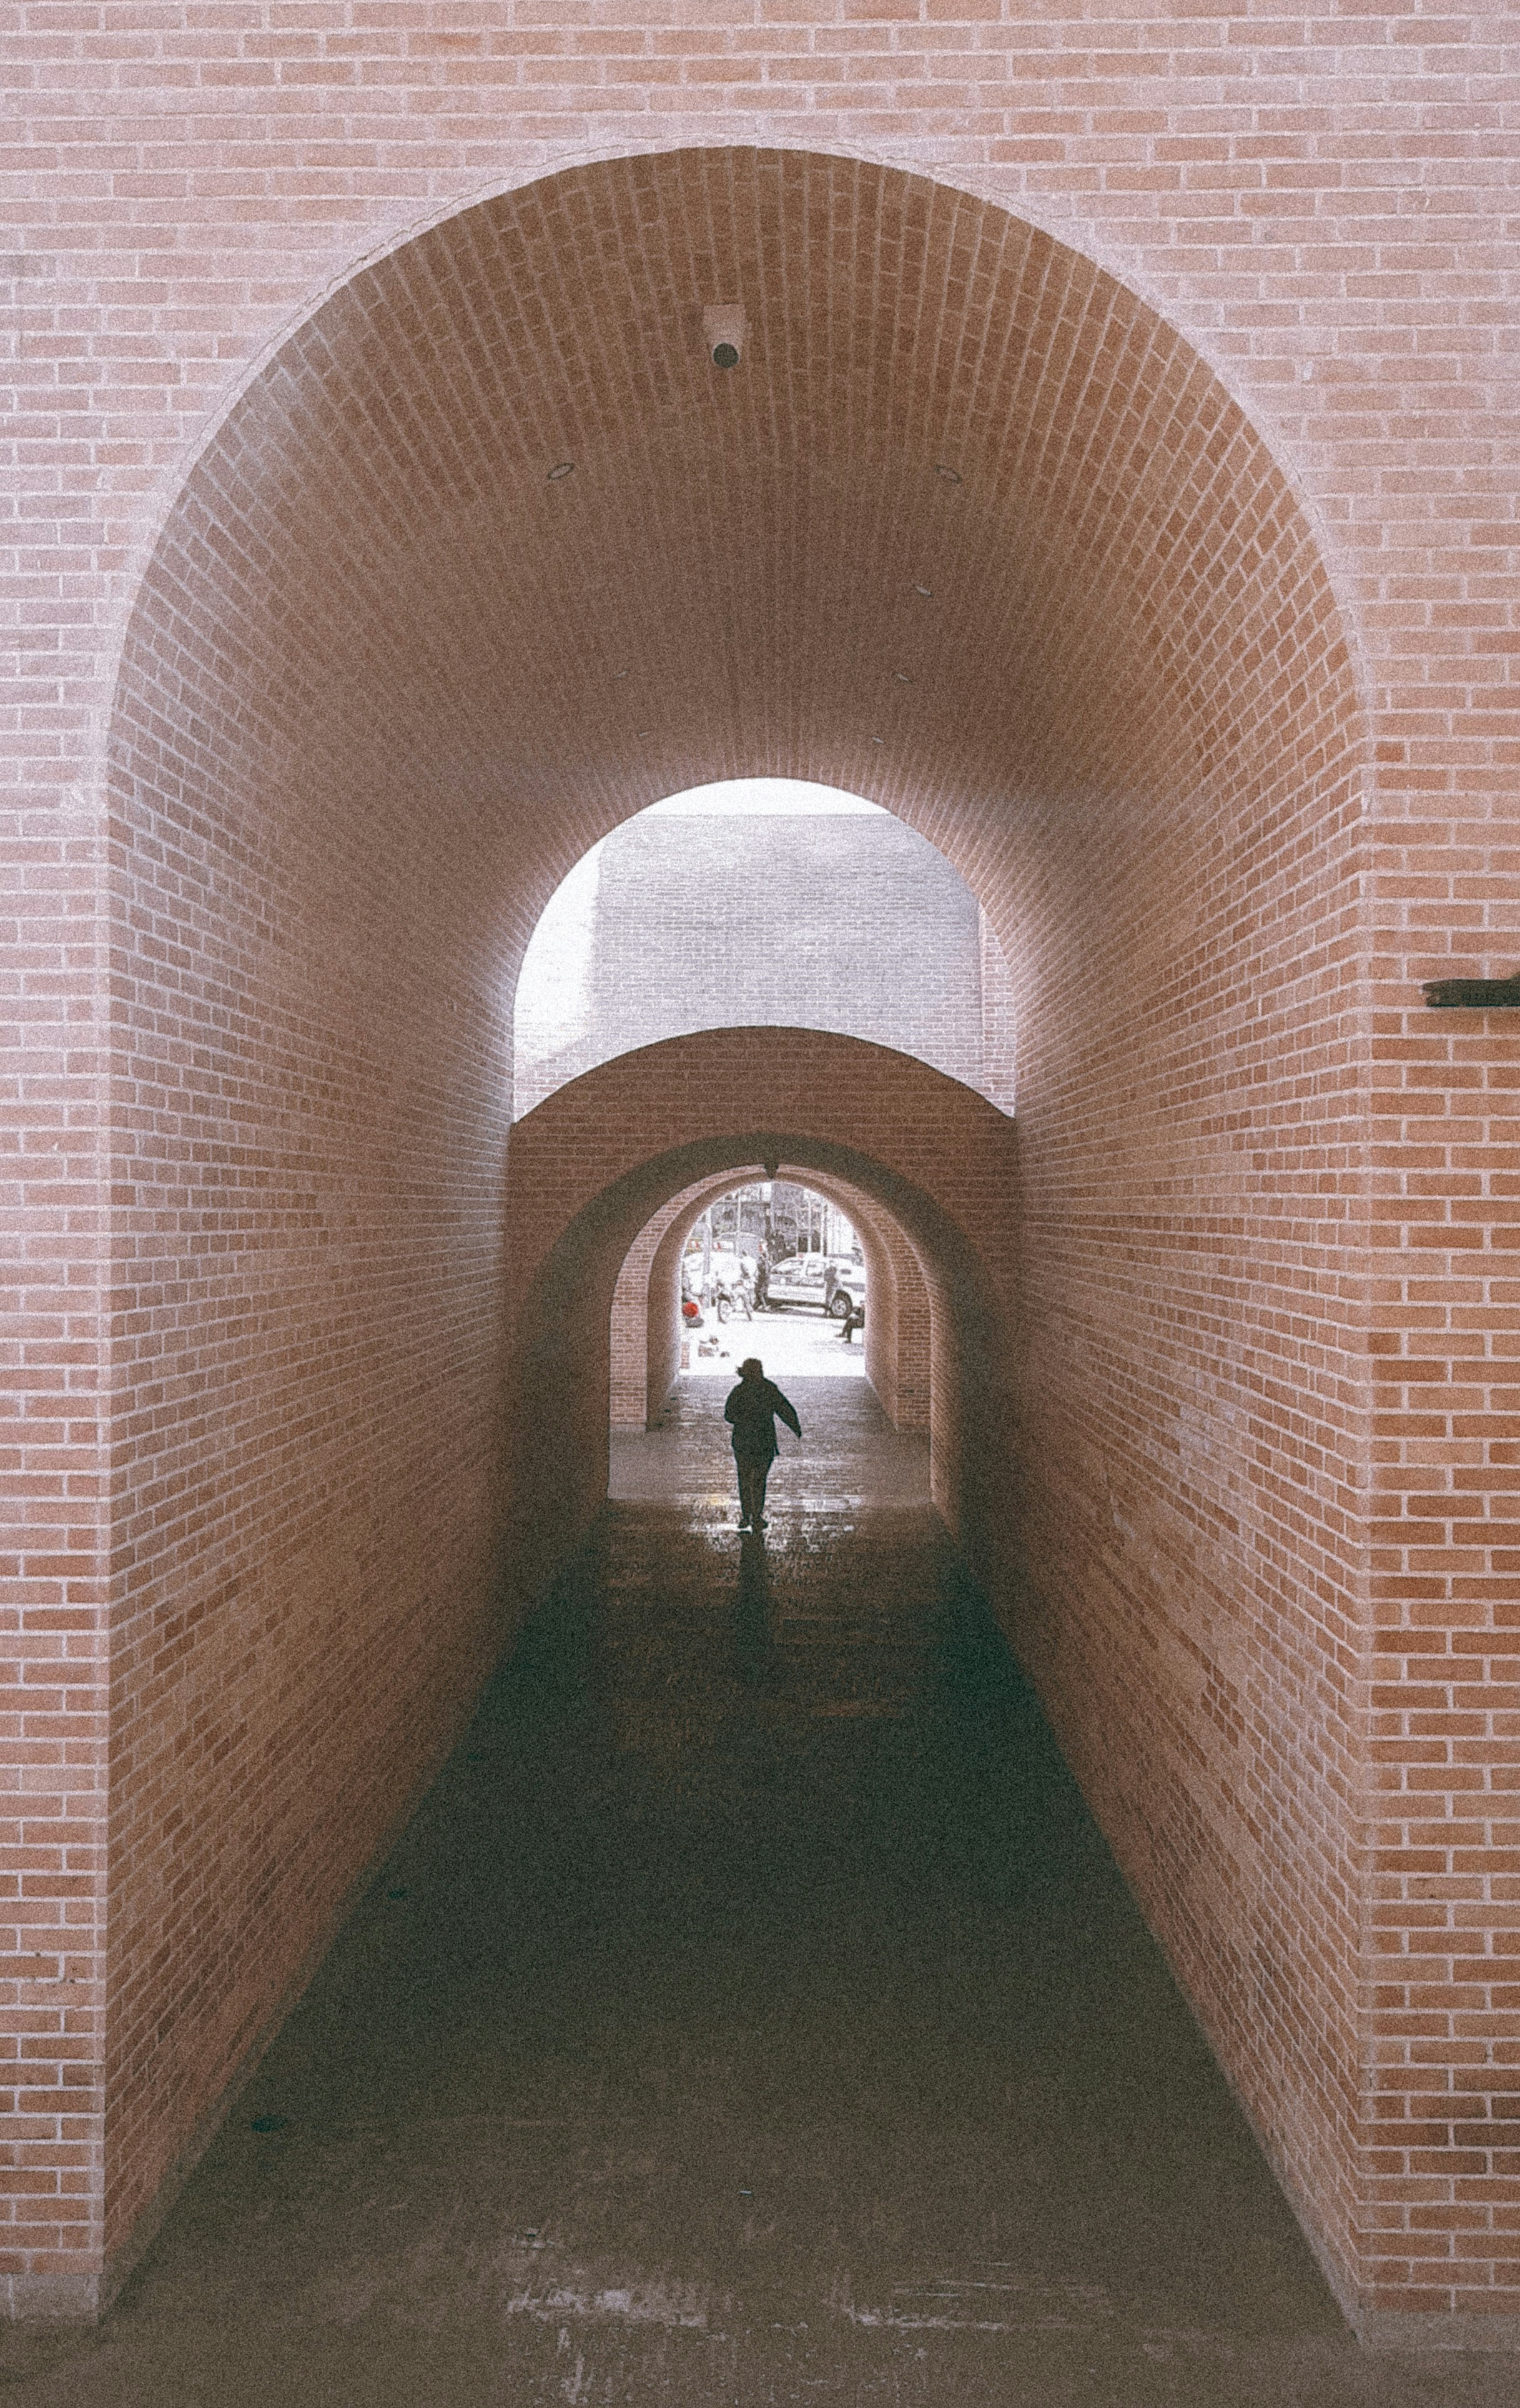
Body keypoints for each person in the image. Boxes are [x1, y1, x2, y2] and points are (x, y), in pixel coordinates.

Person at [723, 1357, 801, 1532]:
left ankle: (746, 1516)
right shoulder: (769, 1388)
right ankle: (757, 1516)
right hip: (764, 1442)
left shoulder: (739, 1391)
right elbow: (784, 1408)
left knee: (744, 1479)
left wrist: (743, 1420)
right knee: (759, 1480)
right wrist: (795, 1426)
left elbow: (728, 1415)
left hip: (743, 1442)